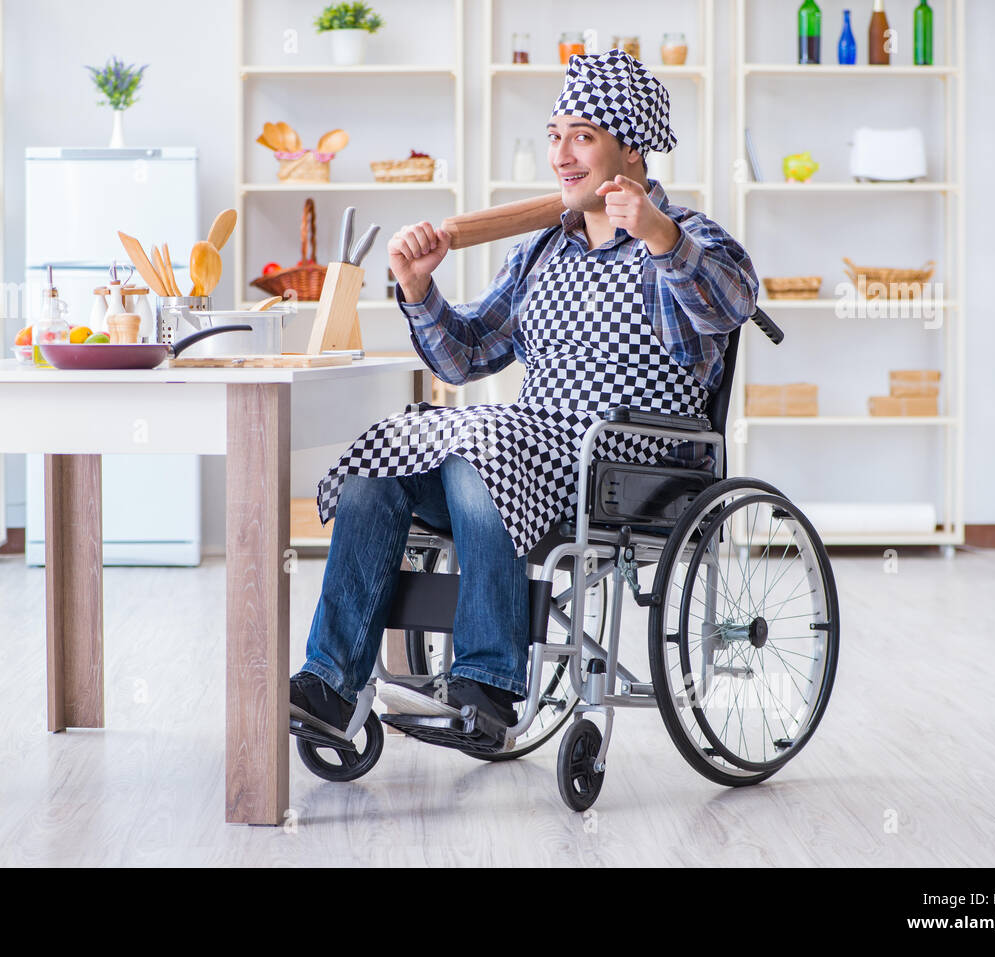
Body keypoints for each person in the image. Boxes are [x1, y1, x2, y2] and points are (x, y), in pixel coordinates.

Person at [289, 49, 760, 739]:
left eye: (582, 136)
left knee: (482, 444)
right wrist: (418, 288)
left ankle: (488, 683)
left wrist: (659, 233)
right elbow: (467, 355)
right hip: (520, 452)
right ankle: (331, 686)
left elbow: (732, 301)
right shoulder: (543, 250)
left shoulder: (689, 239)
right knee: (383, 461)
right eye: (554, 134)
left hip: (626, 467)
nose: (561, 155)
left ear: (631, 147)